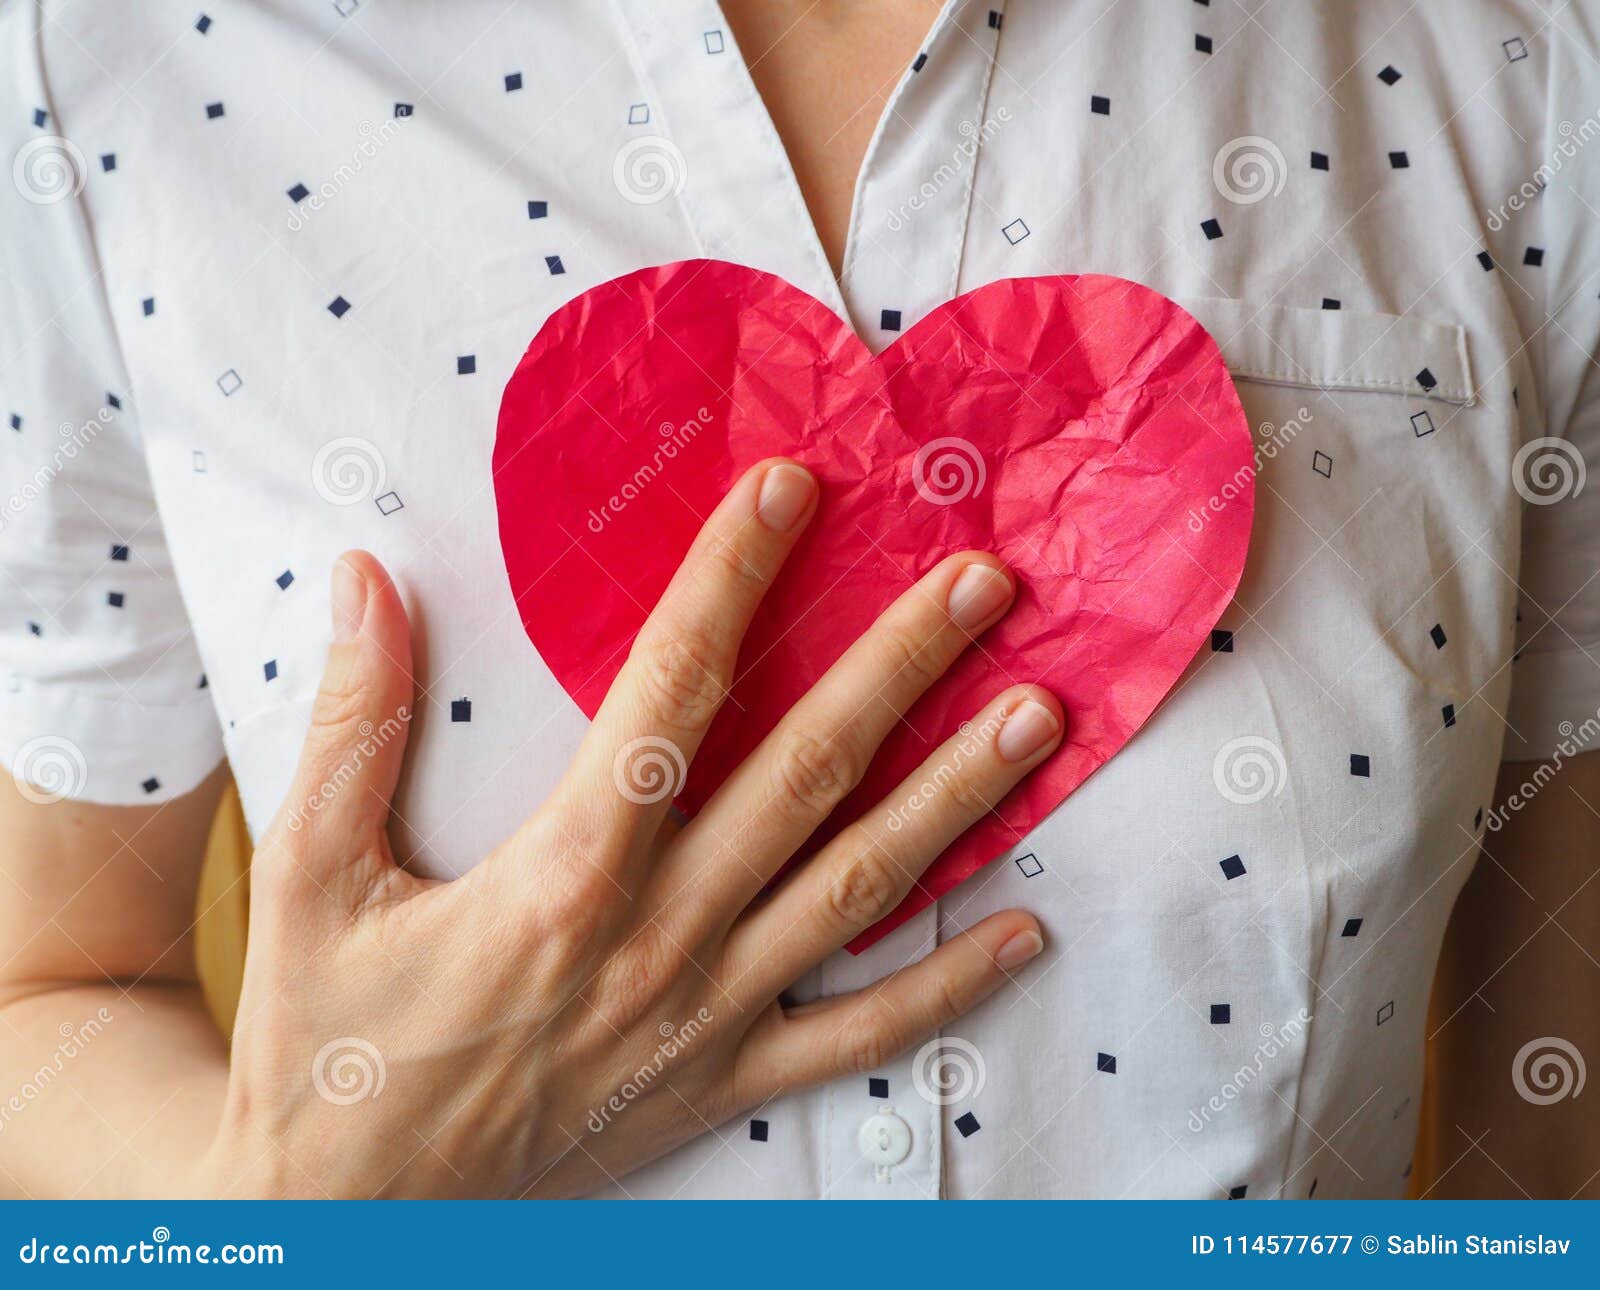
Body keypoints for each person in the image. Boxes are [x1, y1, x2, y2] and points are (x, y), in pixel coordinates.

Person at [1, 0, 1596, 1199]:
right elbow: (49, 989)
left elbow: (1554, 1114)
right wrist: (300, 1191)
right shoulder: (111, 67)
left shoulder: (1517, 65)